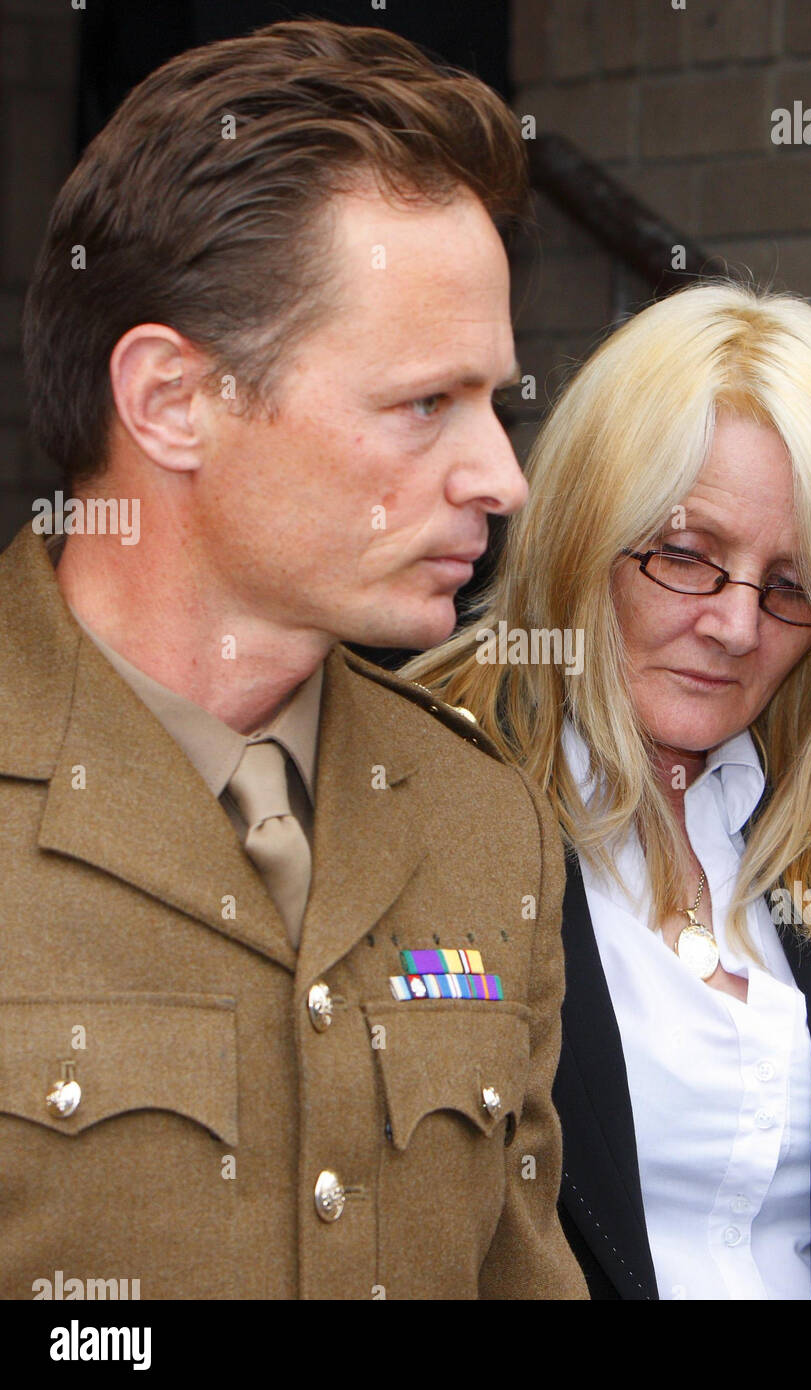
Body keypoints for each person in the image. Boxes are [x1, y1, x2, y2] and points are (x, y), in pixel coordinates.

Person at [1, 20, 587, 1301]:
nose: (501, 477)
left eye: (495, 403)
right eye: (424, 403)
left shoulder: (490, 827)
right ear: (170, 400)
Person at [403, 281, 811, 1300]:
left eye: (791, 584)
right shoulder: (425, 774)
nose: (737, 626)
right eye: (687, 556)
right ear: (581, 532)